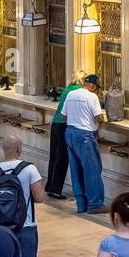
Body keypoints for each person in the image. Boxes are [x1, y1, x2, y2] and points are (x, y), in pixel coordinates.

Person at [62, 74, 107, 213]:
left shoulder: (71, 94)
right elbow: (99, 117)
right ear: (93, 86)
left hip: (70, 133)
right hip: (85, 136)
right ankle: (95, 204)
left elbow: (64, 116)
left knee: (76, 170)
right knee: (92, 170)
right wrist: (103, 118)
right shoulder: (91, 96)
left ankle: (81, 204)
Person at [45, 71, 84, 200]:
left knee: (54, 155)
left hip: (55, 124)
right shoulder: (79, 91)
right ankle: (56, 189)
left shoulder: (68, 89)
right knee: (62, 158)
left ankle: (50, 186)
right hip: (64, 125)